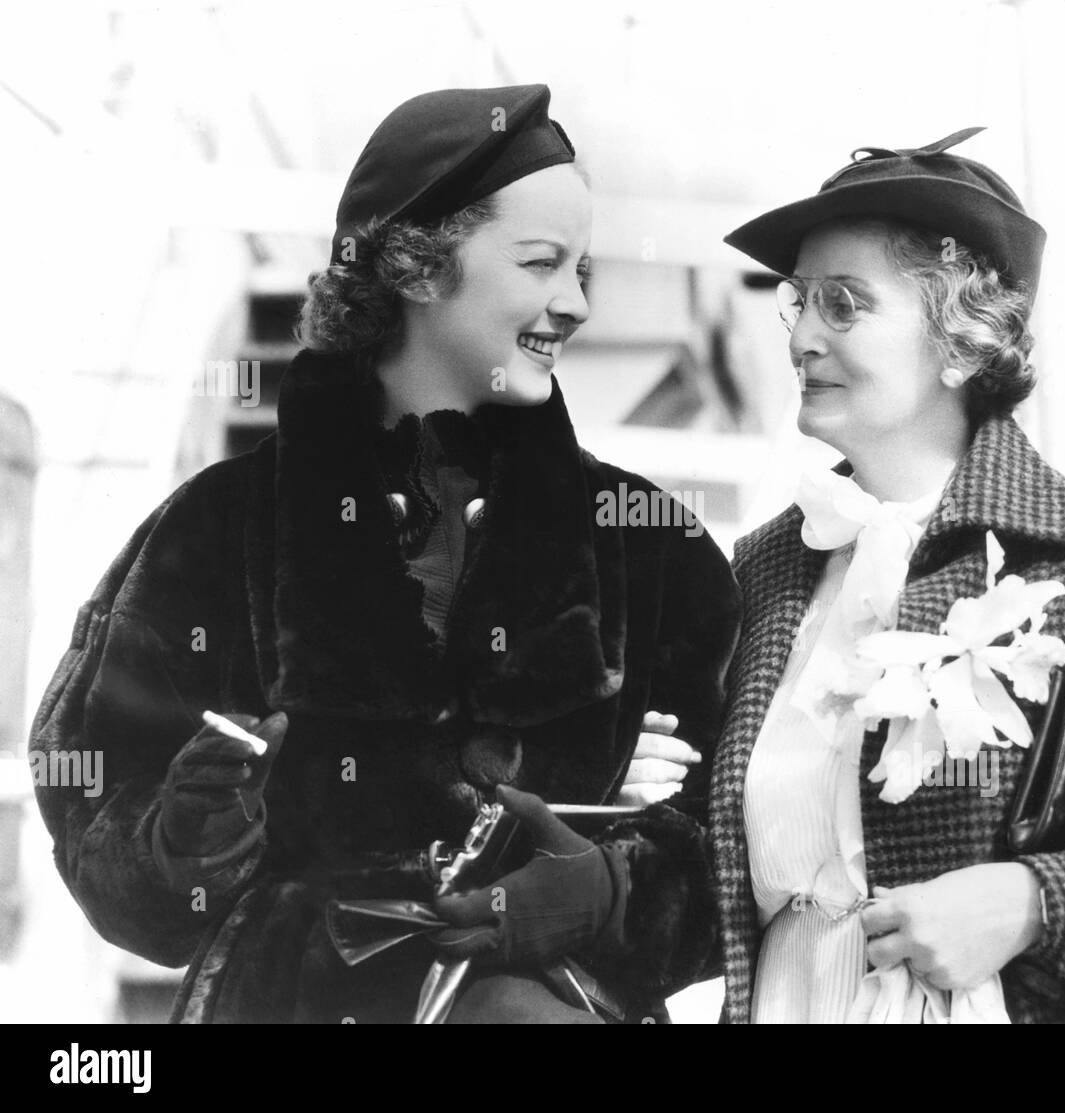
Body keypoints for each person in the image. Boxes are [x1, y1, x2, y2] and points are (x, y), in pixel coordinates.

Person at [29, 85, 740, 1024]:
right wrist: (184, 838)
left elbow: (732, 849)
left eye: (583, 271)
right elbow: (94, 795)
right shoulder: (211, 533)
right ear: (415, 266)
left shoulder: (656, 551)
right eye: (541, 263)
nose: (573, 304)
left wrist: (614, 891)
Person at [709, 127, 1065, 1023]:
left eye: (844, 303)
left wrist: (1038, 901)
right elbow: (710, 864)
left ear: (960, 344)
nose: (804, 339)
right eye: (798, 303)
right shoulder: (763, 569)